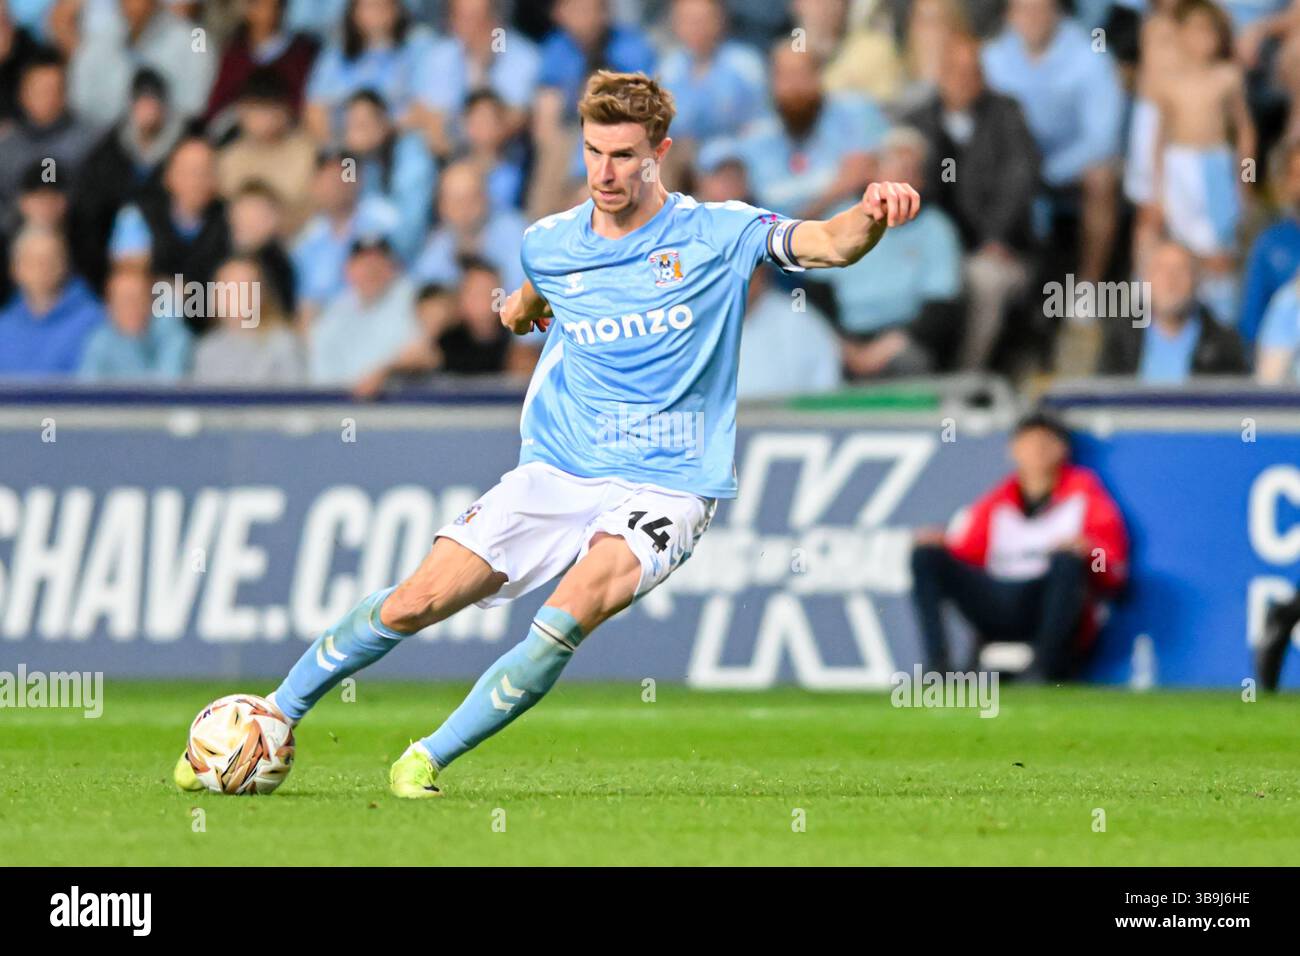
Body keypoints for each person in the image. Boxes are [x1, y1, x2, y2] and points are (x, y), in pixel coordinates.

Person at [174, 69, 922, 798]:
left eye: (624, 154)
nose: (605, 170)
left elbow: (826, 243)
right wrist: (518, 312)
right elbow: (536, 295)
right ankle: (274, 711)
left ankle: (425, 758)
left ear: (658, 151)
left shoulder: (717, 233)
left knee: (564, 615)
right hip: (561, 467)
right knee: (416, 601)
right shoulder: (551, 243)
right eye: (594, 151)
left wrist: (872, 214)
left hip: (670, 481)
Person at [910, 411, 1129, 680]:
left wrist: (1087, 550)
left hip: (1047, 604)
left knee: (1067, 562)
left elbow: (1113, 571)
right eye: (1028, 444)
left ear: (1062, 450)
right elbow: (968, 551)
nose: (1036, 452)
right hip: (1001, 599)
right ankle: (938, 666)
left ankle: (1043, 667)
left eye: (1045, 444)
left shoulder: (1086, 497)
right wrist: (942, 544)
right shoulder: (998, 501)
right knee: (926, 555)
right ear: (1013, 450)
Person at [1097, 239, 1248, 381]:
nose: (1170, 280)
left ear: (1196, 280)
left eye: (1180, 271)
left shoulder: (1224, 344)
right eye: (1161, 270)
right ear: (1145, 278)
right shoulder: (1119, 338)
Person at [0, 225, 104, 376]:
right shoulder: (4, 327)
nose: (42, 269)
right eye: (32, 261)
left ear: (65, 265)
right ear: (15, 269)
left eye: (50, 260)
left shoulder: (96, 322)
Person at [78, 265, 190, 380]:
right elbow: (87, 389)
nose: (133, 307)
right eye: (124, 301)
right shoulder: (99, 341)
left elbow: (167, 388)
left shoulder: (172, 335)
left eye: (139, 298)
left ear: (152, 301)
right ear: (109, 307)